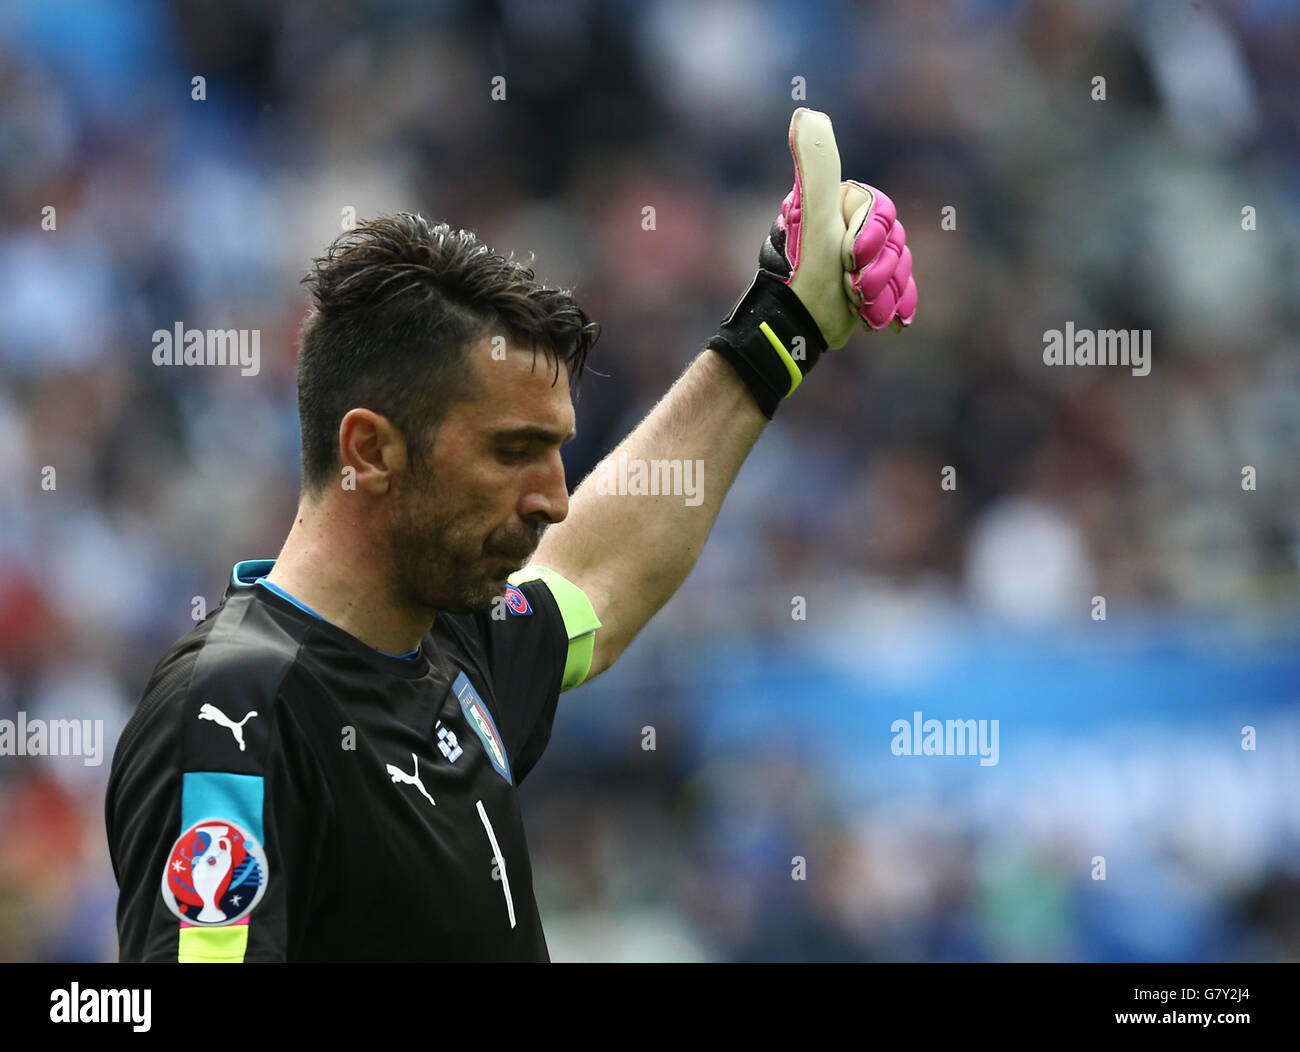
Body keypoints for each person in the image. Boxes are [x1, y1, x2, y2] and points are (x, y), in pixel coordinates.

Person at [105, 108, 917, 962]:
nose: (554, 498)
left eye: (557, 452)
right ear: (371, 451)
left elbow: (600, 573)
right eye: (513, 453)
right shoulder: (238, 705)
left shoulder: (451, 644)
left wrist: (781, 331)